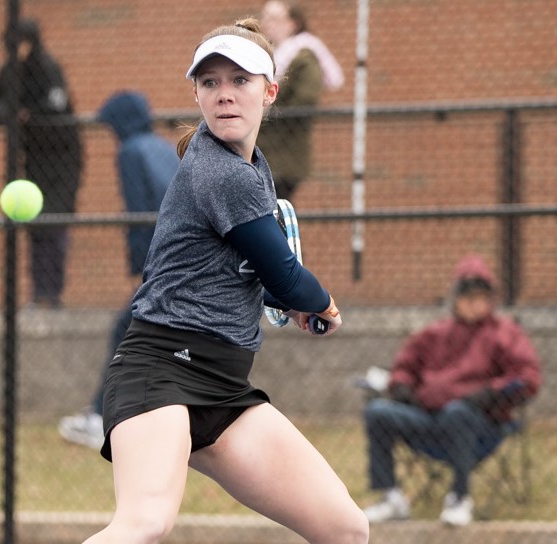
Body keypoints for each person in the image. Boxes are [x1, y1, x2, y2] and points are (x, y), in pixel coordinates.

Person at [82, 18, 368, 544]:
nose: (225, 95)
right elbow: (284, 271)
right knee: (144, 523)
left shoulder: (253, 166)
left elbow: (246, 269)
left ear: (270, 91)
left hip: (222, 387)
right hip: (159, 370)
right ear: (196, 93)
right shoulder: (223, 171)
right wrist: (320, 302)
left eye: (241, 80)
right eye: (210, 82)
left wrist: (287, 295)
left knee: (346, 528)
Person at [362, 254, 541, 526]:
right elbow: (405, 366)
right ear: (455, 299)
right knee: (378, 412)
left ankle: (460, 498)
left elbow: (527, 377)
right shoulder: (435, 334)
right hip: (429, 420)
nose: (473, 304)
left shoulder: (504, 333)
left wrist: (491, 393)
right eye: (466, 297)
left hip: (481, 426)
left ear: (490, 299)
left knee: (457, 412)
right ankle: (391, 498)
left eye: (480, 297)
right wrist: (402, 387)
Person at [58, 91, 178, 449]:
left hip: (163, 260)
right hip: (185, 255)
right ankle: (127, 414)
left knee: (127, 330)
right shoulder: (162, 145)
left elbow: (140, 211)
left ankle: (102, 417)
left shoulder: (131, 152)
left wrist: (142, 264)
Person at [0, 18, 83, 308]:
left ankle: (51, 294)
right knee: (35, 226)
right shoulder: (10, 71)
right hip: (33, 159)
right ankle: (40, 293)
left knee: (54, 226)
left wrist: (29, 114)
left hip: (62, 157)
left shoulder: (47, 67)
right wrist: (14, 113)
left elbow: (56, 104)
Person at [257, 1, 344, 201]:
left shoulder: (304, 55)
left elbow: (305, 100)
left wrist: (269, 112)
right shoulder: (270, 56)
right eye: (265, 17)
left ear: (292, 23)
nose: (267, 23)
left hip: (284, 153)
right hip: (267, 151)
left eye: (275, 18)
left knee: (276, 211)